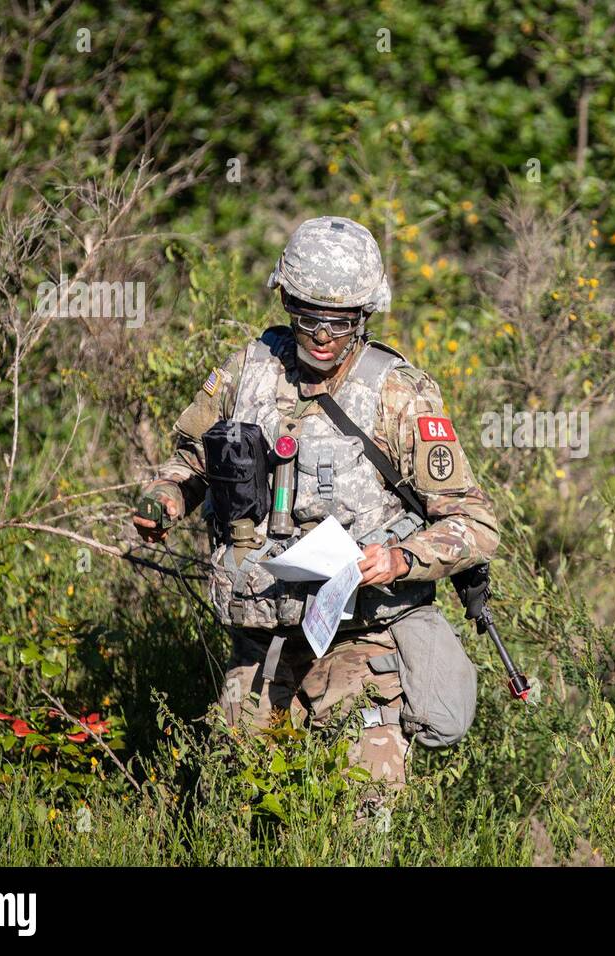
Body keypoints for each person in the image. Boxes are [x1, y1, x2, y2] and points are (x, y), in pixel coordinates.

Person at [132, 216, 499, 787]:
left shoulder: (400, 393)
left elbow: (474, 523)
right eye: (308, 320)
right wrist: (167, 500)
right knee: (232, 799)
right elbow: (191, 463)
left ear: (366, 316)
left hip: (365, 636)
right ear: (284, 301)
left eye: (341, 322)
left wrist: (401, 559)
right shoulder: (247, 370)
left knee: (358, 812)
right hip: (264, 636)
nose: (323, 336)